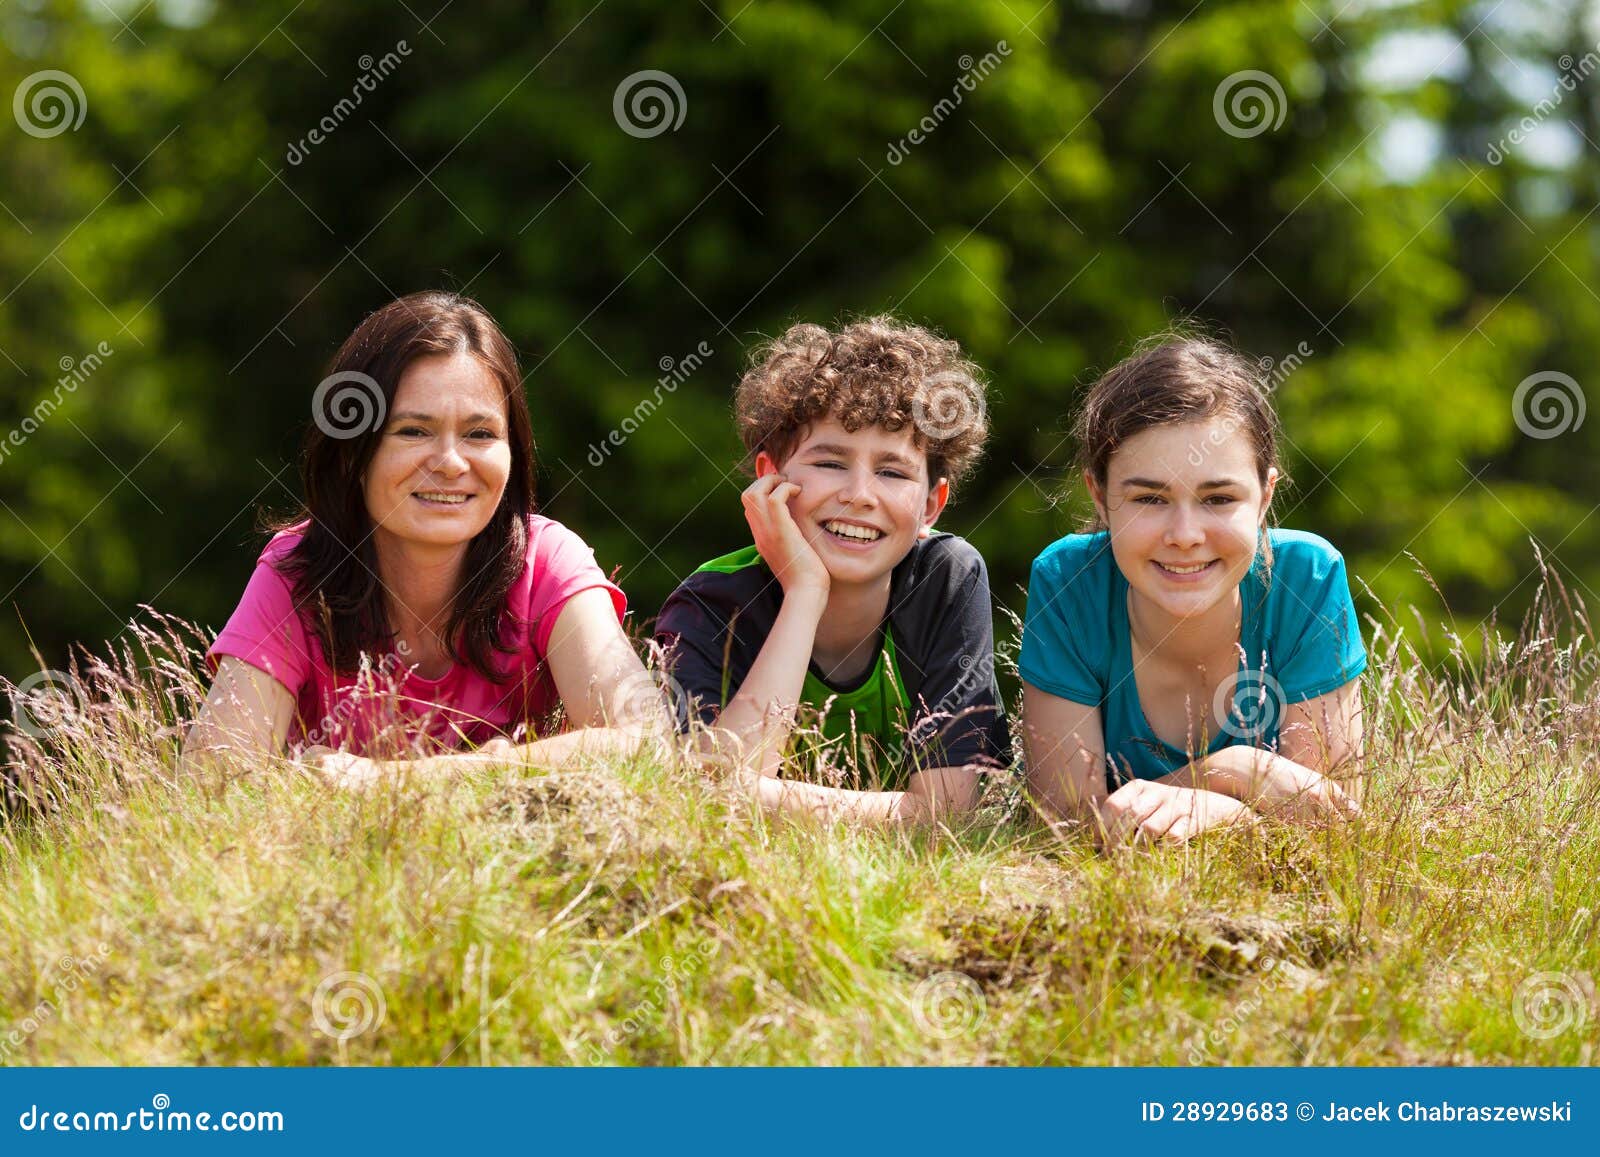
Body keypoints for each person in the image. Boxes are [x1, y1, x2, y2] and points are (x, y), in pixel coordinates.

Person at [183, 291, 664, 788]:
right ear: (352, 453)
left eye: (480, 434)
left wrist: (394, 780)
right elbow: (208, 778)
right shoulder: (299, 571)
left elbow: (648, 740)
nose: (451, 463)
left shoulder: (548, 560)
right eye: (413, 431)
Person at [655, 317, 1009, 826]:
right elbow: (707, 808)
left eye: (892, 472)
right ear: (769, 477)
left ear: (931, 505)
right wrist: (804, 591)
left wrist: (753, 795)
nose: (860, 495)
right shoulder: (710, 603)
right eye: (830, 463)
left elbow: (947, 814)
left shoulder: (946, 579)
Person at [1019, 335, 1366, 845]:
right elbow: (1062, 830)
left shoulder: (1307, 578)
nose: (1184, 535)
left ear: (1265, 496)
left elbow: (1334, 824)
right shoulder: (1068, 581)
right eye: (1150, 499)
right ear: (1099, 496)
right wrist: (1230, 773)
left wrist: (1212, 803)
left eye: (1218, 498)